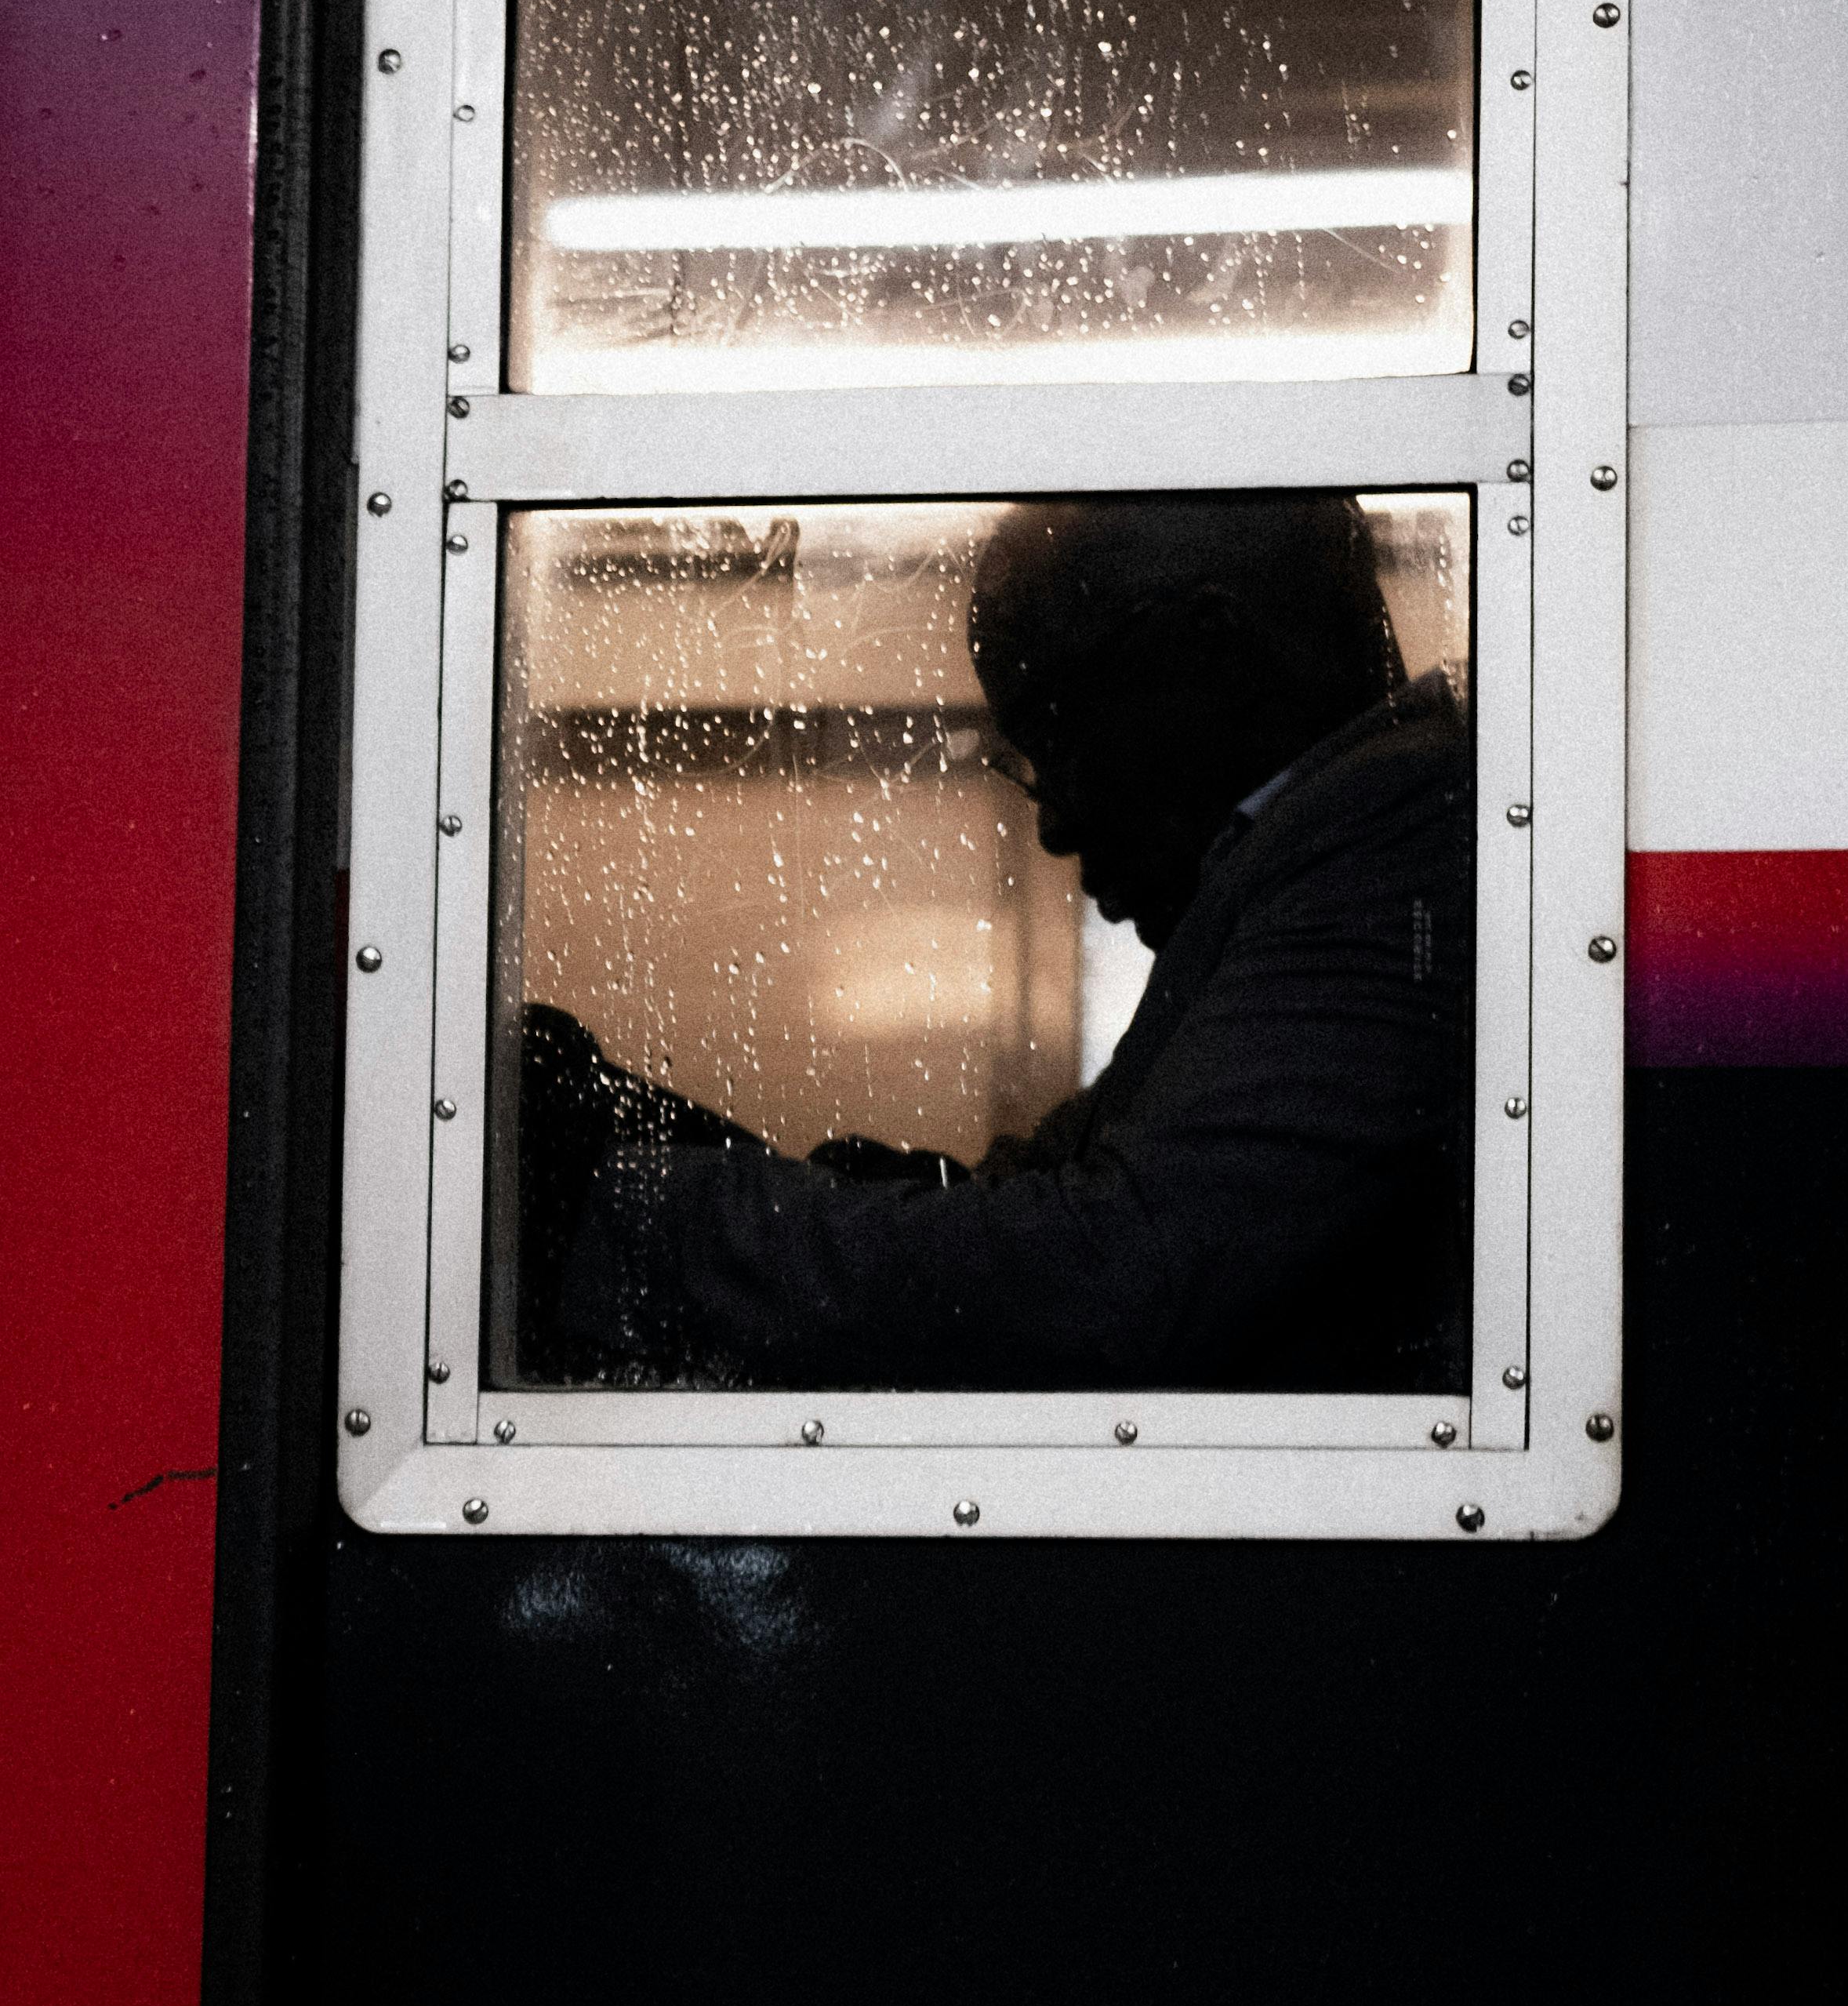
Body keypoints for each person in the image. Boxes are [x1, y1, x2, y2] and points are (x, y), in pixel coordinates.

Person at [518, 496, 1473, 1393]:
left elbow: (1111, 1275)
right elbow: (1045, 1192)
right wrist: (662, 1144)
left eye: (1059, 737)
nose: (1054, 824)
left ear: (1213, 656)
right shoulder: (1316, 860)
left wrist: (634, 1211)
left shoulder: (1391, 848)